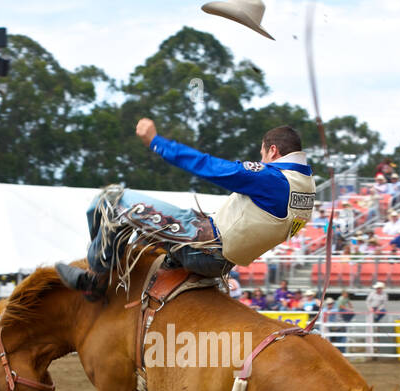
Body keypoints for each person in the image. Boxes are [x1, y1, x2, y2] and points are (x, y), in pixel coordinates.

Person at [54, 119, 315, 298]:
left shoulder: (272, 179)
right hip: (224, 263)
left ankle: (95, 277)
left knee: (112, 199)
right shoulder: (307, 191)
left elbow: (209, 166)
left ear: (273, 150)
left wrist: (156, 142)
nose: (261, 161)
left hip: (203, 248)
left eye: (262, 155)